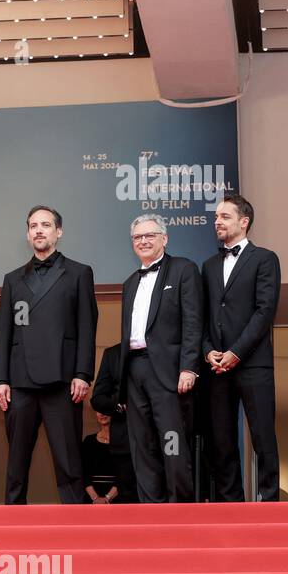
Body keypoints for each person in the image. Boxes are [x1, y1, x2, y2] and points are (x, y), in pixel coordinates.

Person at [0, 206, 98, 505]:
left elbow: (87, 328)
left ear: (58, 231)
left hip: (62, 380)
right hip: (20, 381)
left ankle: (75, 524)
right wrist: (1, 379)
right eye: (33, 226)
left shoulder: (79, 272)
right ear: (27, 234)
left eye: (46, 225)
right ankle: (13, 522)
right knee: (16, 462)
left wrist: (83, 374)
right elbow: (4, 333)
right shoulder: (12, 279)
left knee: (68, 461)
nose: (39, 230)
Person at [201, 195, 282, 502]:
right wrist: (209, 350)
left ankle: (268, 501)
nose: (217, 222)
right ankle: (229, 505)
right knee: (221, 440)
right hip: (217, 367)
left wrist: (235, 352)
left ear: (243, 221)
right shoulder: (208, 266)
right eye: (216, 217)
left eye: (224, 216)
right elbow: (204, 316)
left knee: (263, 436)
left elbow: (265, 312)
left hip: (253, 364)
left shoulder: (265, 258)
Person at [120, 215, 202, 503]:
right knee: (141, 445)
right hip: (134, 369)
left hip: (168, 370)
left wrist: (189, 367)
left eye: (150, 235)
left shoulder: (184, 270)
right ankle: (150, 512)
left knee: (173, 443)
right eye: (137, 237)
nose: (143, 241)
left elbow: (193, 322)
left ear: (164, 239)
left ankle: (180, 512)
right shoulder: (130, 283)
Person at [90, 342, 138, 503]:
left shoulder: (162, 347)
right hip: (124, 438)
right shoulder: (112, 354)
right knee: (126, 496)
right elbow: (97, 398)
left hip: (155, 440)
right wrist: (118, 405)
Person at [82, 410, 134, 504]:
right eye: (98, 410)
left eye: (105, 409)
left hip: (120, 497)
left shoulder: (125, 441)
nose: (102, 413)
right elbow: (84, 474)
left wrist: (107, 498)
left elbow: (127, 473)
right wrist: (95, 498)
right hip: (91, 499)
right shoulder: (88, 441)